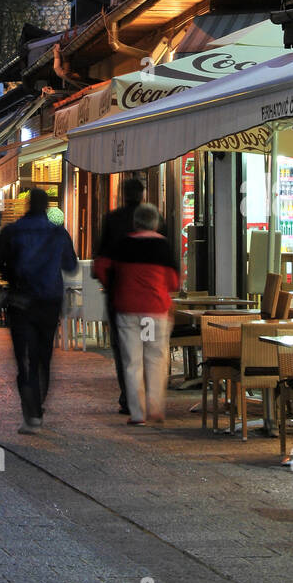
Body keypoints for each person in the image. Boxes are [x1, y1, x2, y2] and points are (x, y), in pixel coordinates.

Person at [0, 187, 78, 434]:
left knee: (24, 359)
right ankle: (36, 410)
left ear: (27, 205)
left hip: (21, 300)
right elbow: (71, 265)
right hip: (49, 300)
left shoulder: (12, 231)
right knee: (43, 356)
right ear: (47, 207)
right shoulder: (58, 233)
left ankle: (31, 413)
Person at [93, 203, 179, 426]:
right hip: (155, 311)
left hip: (128, 309)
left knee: (132, 362)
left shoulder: (123, 244)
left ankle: (138, 414)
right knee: (155, 359)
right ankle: (156, 407)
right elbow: (174, 281)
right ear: (156, 223)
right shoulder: (164, 246)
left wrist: (112, 287)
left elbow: (100, 267)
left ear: (135, 222)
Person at [95, 177, 145, 415]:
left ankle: (129, 395)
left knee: (123, 346)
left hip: (119, 296)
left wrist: (109, 283)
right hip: (148, 298)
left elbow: (100, 260)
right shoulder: (154, 221)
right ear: (143, 194)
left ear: (122, 194)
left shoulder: (112, 220)